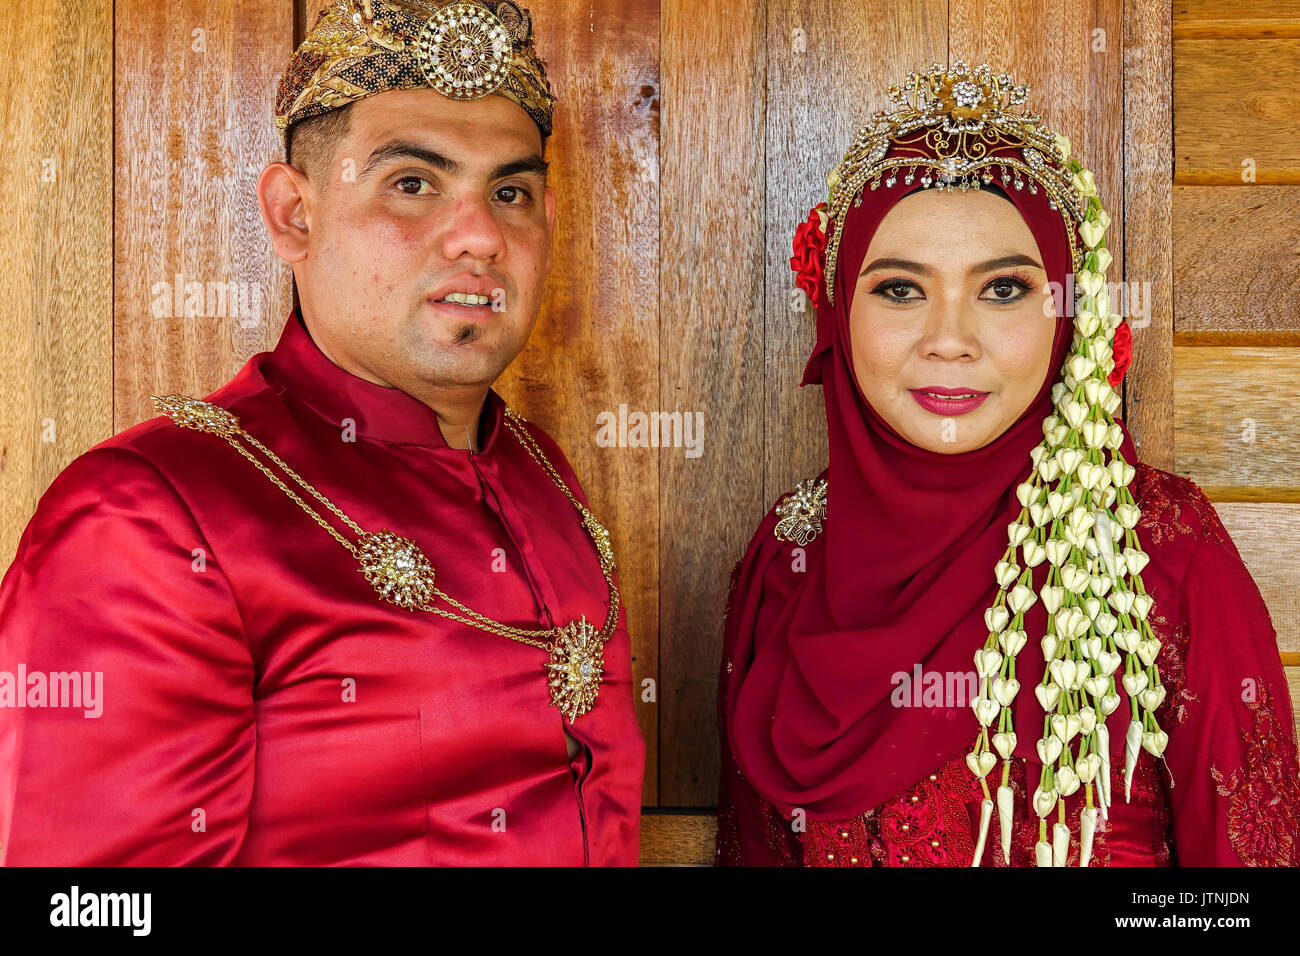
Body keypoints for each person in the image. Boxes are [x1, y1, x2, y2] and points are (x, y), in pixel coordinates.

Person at [0, 0, 644, 865]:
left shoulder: (538, 468)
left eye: (511, 191)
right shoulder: (152, 515)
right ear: (293, 215)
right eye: (413, 183)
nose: (483, 236)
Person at [715, 62, 1300, 866]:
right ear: (836, 310)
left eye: (1002, 290)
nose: (949, 337)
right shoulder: (787, 559)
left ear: (1069, 316)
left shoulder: (1155, 551)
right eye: (897, 290)